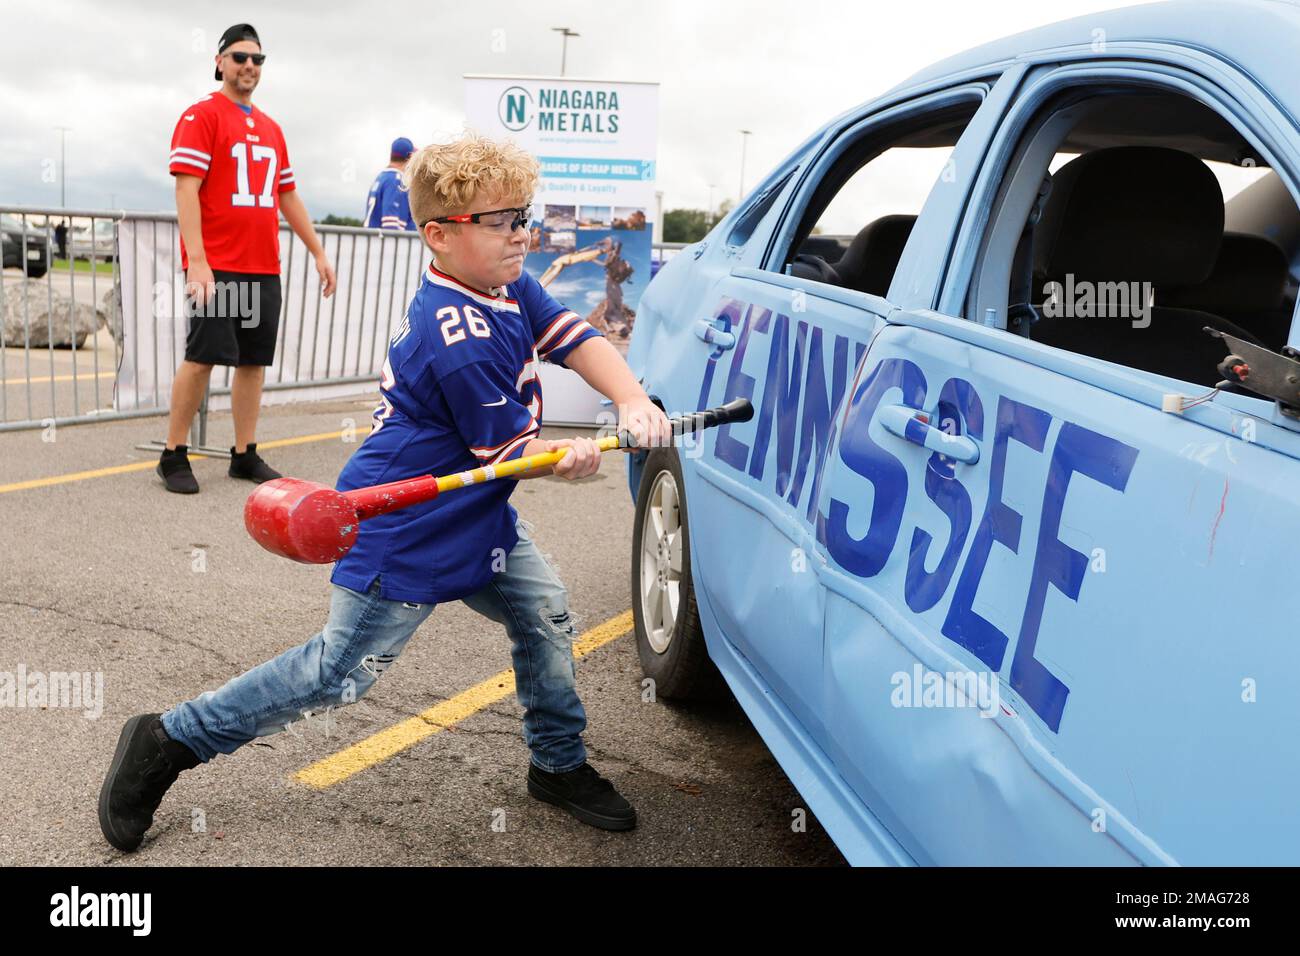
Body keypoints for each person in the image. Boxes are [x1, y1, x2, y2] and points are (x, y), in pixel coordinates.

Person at [98, 133, 674, 853]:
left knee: (545, 615)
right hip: (404, 519)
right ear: (439, 235)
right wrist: (571, 456)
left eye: (522, 216)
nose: (520, 234)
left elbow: (570, 336)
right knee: (336, 675)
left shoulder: (505, 281)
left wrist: (629, 398)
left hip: (477, 510)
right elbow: (512, 454)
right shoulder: (453, 328)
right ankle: (168, 739)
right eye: (501, 221)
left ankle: (557, 763)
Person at [157, 23, 337, 495]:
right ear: (220, 61)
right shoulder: (202, 116)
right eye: (240, 57)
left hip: (262, 265)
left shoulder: (273, 129)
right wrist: (197, 259)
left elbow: (288, 196)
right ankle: (173, 452)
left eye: (257, 59)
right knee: (202, 358)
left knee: (253, 362)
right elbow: (186, 190)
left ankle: (244, 453)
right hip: (218, 264)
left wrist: (318, 251)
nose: (249, 67)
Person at [364, 137, 418, 231]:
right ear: (410, 158)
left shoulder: (383, 176)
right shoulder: (395, 179)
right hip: (383, 243)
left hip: (373, 239)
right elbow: (390, 224)